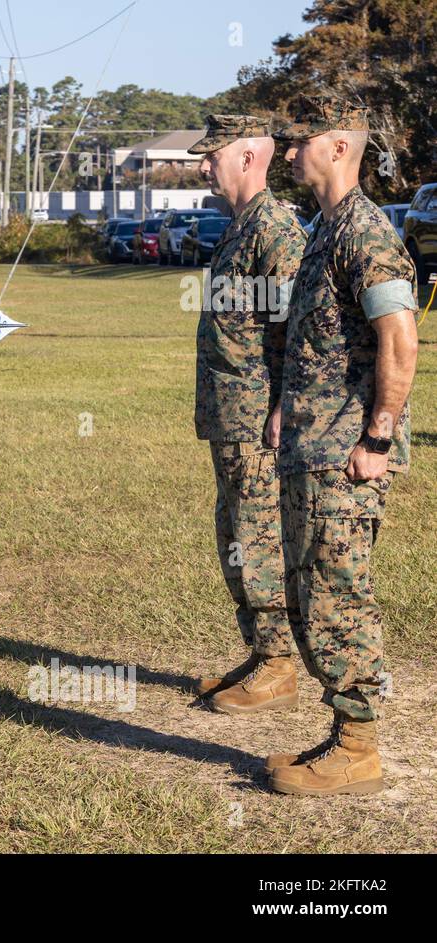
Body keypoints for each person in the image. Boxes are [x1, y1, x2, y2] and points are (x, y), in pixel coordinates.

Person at [266, 98, 419, 796]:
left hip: (346, 454)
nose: (288, 153)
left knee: (338, 595)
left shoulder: (367, 234)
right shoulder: (324, 232)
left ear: (335, 146)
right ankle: (341, 733)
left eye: (297, 142)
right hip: (310, 446)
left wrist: (378, 436)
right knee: (311, 591)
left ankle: (359, 748)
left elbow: (400, 341)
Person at [188, 115, 307, 714]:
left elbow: (303, 328)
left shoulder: (275, 229)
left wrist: (287, 407)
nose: (203, 165)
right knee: (236, 533)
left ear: (247, 158)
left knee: (260, 536)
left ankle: (281, 665)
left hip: (261, 420)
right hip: (231, 417)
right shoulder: (238, 229)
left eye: (212, 155)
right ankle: (262, 652)